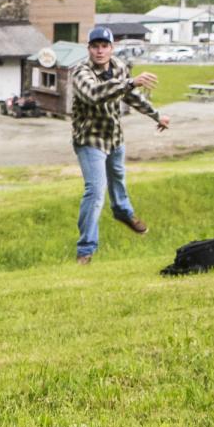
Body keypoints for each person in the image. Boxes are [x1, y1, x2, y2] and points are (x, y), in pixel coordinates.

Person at [71, 26, 170, 265]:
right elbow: (95, 94)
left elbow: (131, 96)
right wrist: (130, 83)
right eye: (95, 46)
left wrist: (156, 116)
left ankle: (124, 214)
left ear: (111, 48)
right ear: (89, 49)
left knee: (118, 180)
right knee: (95, 192)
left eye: (104, 46)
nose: (100, 51)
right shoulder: (80, 72)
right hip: (90, 140)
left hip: (114, 137)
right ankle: (86, 250)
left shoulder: (119, 67)